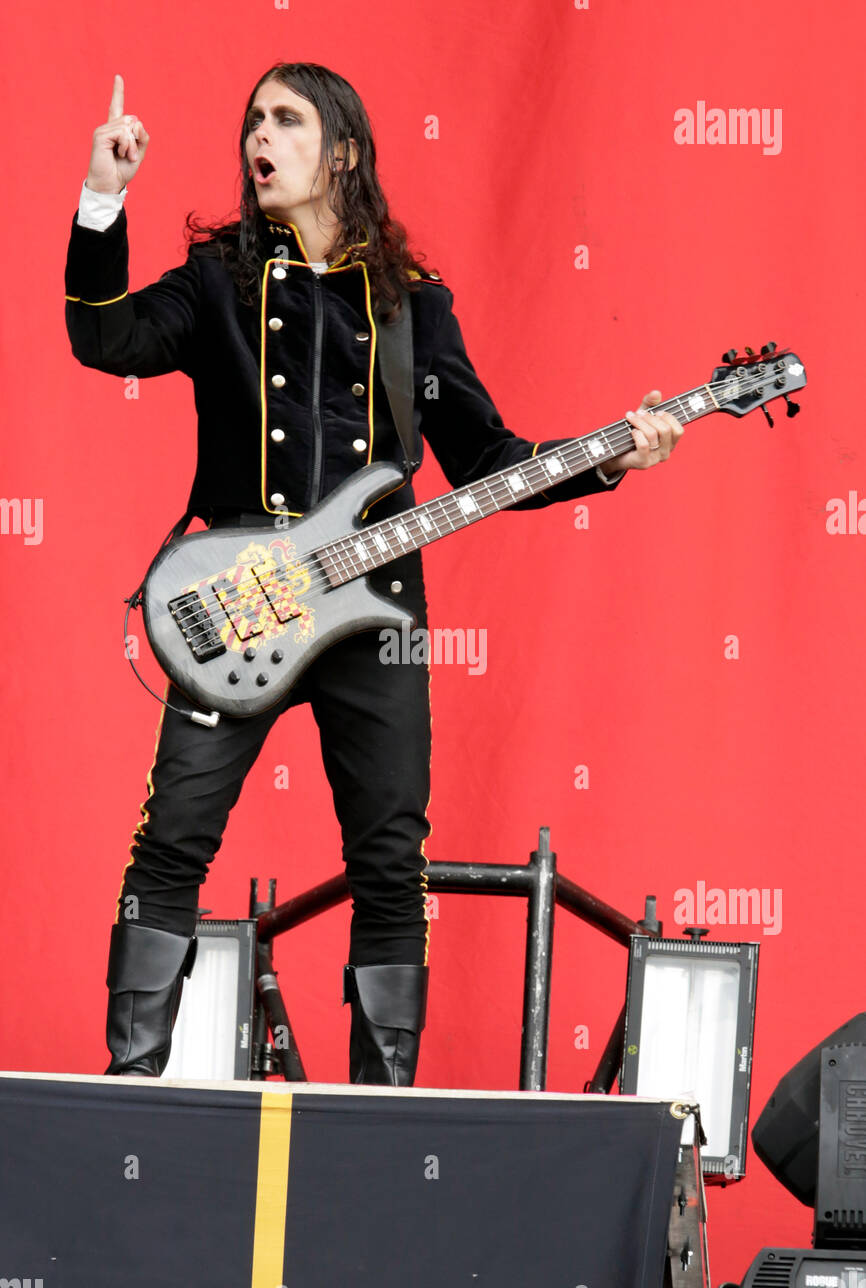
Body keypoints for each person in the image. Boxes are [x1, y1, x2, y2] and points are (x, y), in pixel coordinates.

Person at [65, 63, 684, 1084]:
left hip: (375, 612)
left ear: (340, 150)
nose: (259, 136)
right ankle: (133, 1089)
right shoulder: (217, 280)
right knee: (172, 838)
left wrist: (612, 452)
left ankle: (379, 1114)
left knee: (389, 861)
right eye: (252, 120)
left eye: (286, 120)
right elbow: (102, 336)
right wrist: (103, 197)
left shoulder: (413, 308)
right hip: (234, 600)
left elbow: (488, 460)